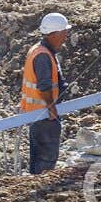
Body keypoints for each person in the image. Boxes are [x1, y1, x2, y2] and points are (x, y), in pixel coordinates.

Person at [21, 13, 71, 175]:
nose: (65, 36)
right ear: (54, 34)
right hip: (44, 116)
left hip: (39, 115)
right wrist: (51, 109)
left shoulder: (40, 50)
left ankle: (36, 186)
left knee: (39, 157)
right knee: (46, 159)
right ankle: (40, 190)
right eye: (64, 33)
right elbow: (44, 86)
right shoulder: (42, 55)